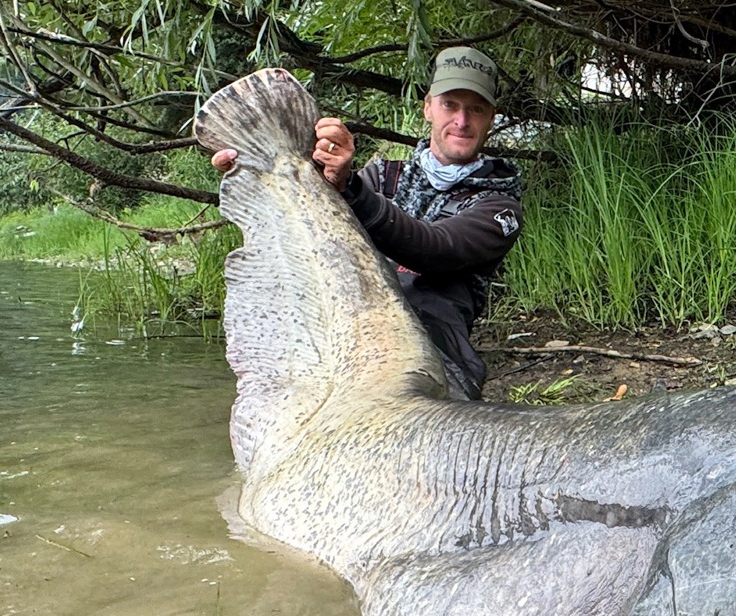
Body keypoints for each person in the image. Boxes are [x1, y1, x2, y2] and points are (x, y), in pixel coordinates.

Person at [212, 47, 524, 400]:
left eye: (476, 109)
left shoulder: (500, 207)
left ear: (491, 119)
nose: (462, 121)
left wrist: (351, 188)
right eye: (450, 105)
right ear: (428, 108)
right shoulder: (382, 176)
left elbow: (437, 249)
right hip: (345, 328)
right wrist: (261, 176)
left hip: (435, 350)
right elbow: (317, 234)